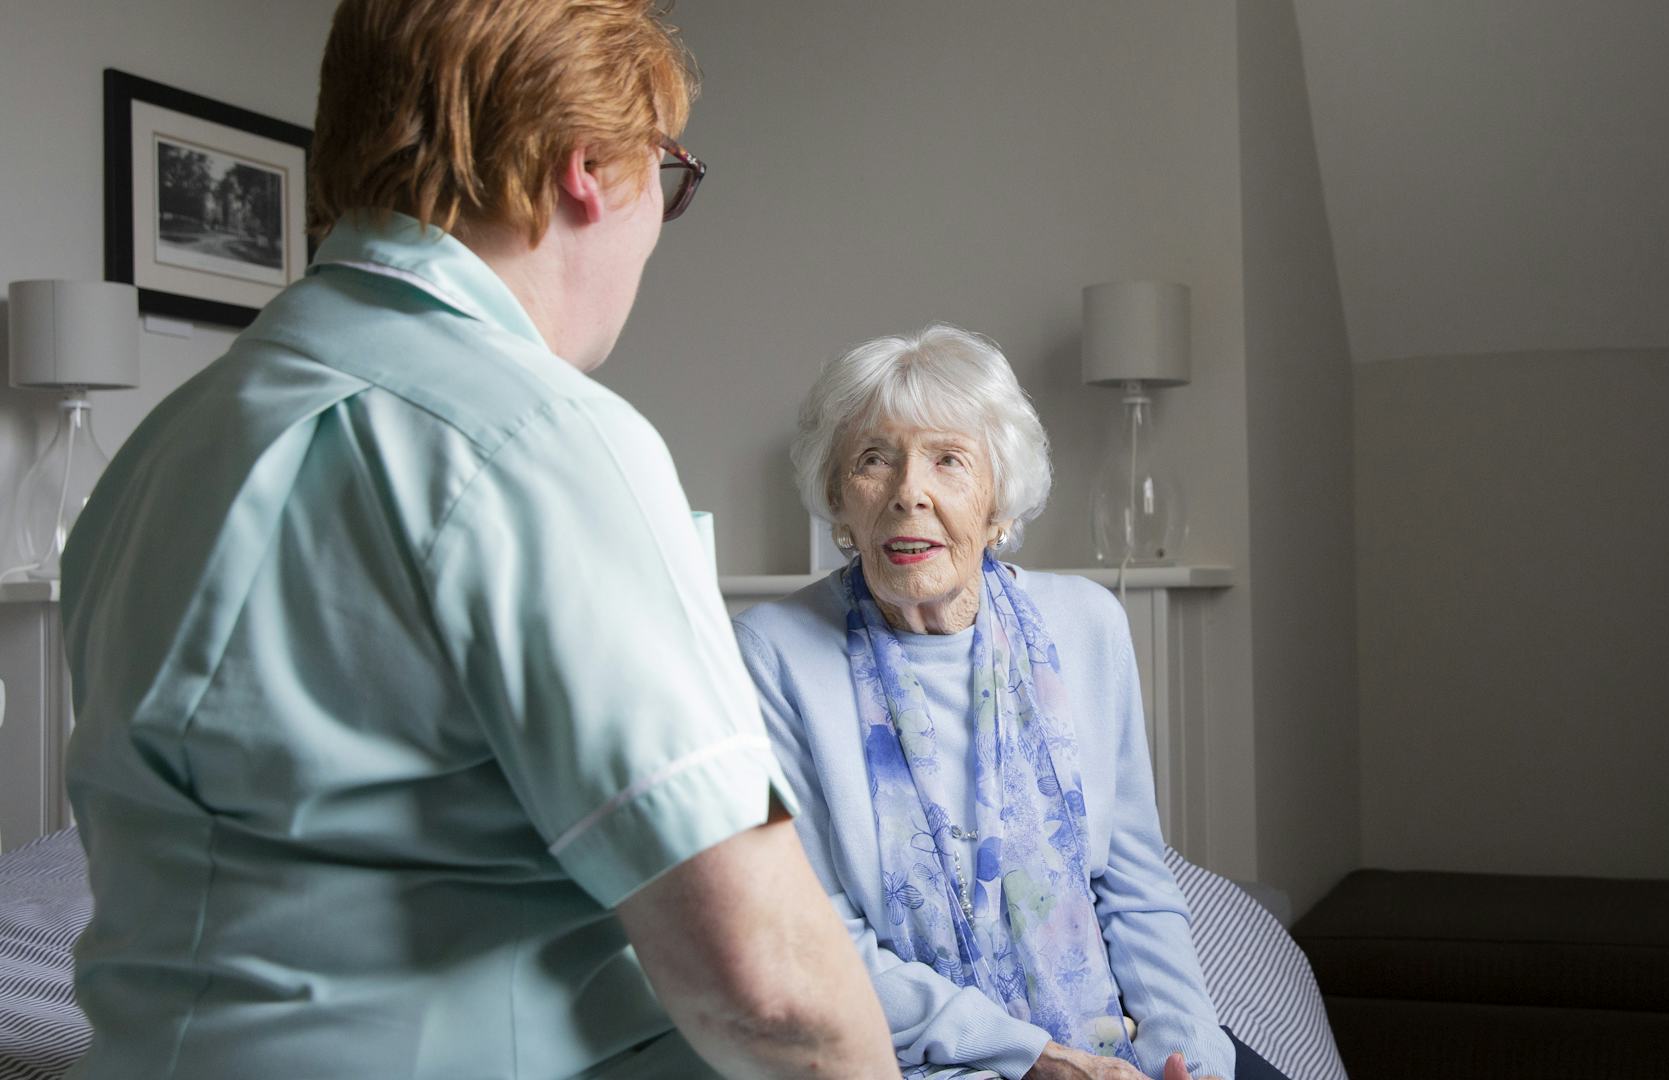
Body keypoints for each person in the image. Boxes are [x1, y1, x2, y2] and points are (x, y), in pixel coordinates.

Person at [58, 1, 896, 1076]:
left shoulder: (159, 451)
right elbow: (771, 991)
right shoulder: (540, 435)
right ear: (588, 166)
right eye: (667, 178)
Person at [732, 326, 1287, 1080]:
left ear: (1000, 502)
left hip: (1107, 1030)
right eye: (873, 460)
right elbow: (818, 936)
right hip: (919, 1055)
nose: (909, 493)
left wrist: (1188, 1053)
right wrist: (1033, 1058)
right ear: (838, 500)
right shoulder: (774, 651)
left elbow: (1134, 882)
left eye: (949, 460)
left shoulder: (1089, 624)